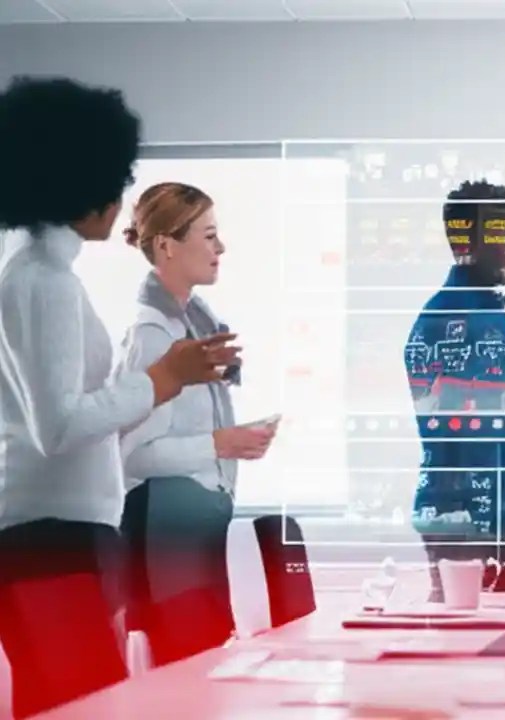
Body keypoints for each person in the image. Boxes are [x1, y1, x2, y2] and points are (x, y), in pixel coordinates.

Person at [0, 77, 238, 717]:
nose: (121, 196)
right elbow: (58, 427)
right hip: (52, 542)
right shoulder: (42, 279)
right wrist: (165, 377)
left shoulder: (42, 272)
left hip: (66, 537)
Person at [115, 182, 278, 666]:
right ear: (167, 245)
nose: (220, 248)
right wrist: (221, 443)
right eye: (208, 236)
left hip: (194, 524)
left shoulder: (192, 325)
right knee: (189, 669)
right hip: (166, 530)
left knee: (206, 662)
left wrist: (231, 442)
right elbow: (135, 454)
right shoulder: (153, 335)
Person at [404, 179, 505, 597]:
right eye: (501, 237)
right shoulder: (468, 319)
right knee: (486, 650)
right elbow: (477, 444)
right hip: (482, 524)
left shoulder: (465, 310)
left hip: (468, 518)